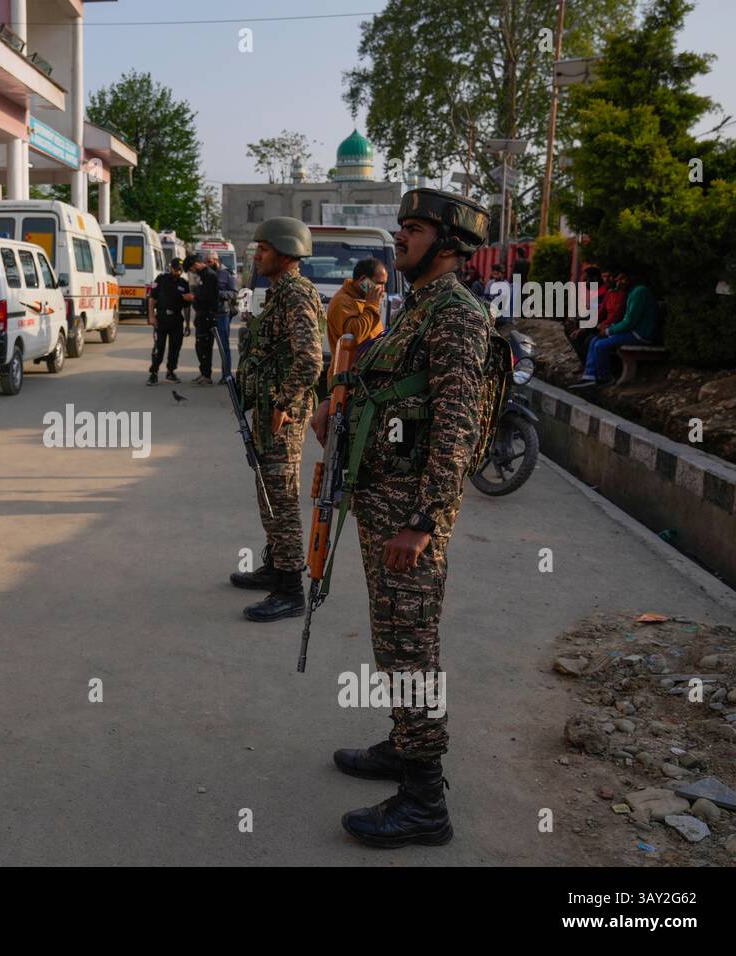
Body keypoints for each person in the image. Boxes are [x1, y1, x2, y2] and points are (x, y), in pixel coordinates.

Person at [312, 187, 492, 848]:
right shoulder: (417, 306)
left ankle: (424, 802)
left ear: (447, 242)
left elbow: (456, 428)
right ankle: (401, 743)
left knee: (412, 649)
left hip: (410, 518)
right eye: (401, 227)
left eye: (413, 229)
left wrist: (423, 520)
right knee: (393, 640)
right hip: (383, 504)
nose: (400, 239)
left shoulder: (456, 313)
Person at [228, 217, 325, 622]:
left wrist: (283, 403)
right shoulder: (278, 292)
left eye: (263, 249)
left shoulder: (295, 294)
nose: (257, 255)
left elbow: (311, 359)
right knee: (268, 491)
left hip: (281, 414)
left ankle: (290, 590)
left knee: (281, 498)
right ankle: (276, 565)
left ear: (284, 252)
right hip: (269, 409)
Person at [571, 271, 658, 388]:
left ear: (631, 279)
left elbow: (630, 321)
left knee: (600, 345)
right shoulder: (631, 293)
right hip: (632, 331)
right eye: (617, 280)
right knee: (594, 340)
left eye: (622, 279)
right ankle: (589, 376)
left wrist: (609, 330)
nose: (619, 283)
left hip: (641, 334)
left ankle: (605, 377)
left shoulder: (640, 292)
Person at [326, 257, 388, 354]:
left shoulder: (364, 299)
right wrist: (372, 304)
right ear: (363, 280)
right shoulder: (342, 301)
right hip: (349, 367)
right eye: (379, 283)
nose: (382, 290)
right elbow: (354, 337)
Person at [147, 257, 191, 385]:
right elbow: (152, 299)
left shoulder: (184, 283)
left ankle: (170, 372)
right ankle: (153, 373)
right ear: (171, 267)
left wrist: (188, 324)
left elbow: (187, 306)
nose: (178, 272)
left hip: (177, 320)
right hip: (161, 319)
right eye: (176, 269)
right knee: (159, 348)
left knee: (175, 348)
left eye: (180, 270)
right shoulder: (160, 280)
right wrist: (151, 316)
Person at [186, 253, 220, 385]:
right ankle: (203, 372)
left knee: (205, 346)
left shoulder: (209, 276)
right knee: (200, 346)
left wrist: (194, 297)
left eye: (191, 269)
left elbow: (208, 296)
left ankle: (207, 375)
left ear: (195, 265)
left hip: (207, 316)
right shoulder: (203, 276)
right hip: (201, 315)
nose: (191, 272)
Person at [564, 266, 603, 365]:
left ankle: (589, 364)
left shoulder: (603, 292)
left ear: (595, 278)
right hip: (593, 322)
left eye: (586, 280)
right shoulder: (593, 290)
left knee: (583, 337)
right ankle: (584, 362)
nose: (584, 283)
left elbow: (598, 315)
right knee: (569, 327)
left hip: (600, 324)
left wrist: (582, 328)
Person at [212, 251, 239, 382]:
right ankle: (205, 375)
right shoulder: (208, 274)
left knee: (224, 346)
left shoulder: (227, 274)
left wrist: (219, 294)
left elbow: (234, 293)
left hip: (223, 314)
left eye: (210, 262)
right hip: (210, 314)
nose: (207, 264)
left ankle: (226, 375)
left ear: (217, 261)